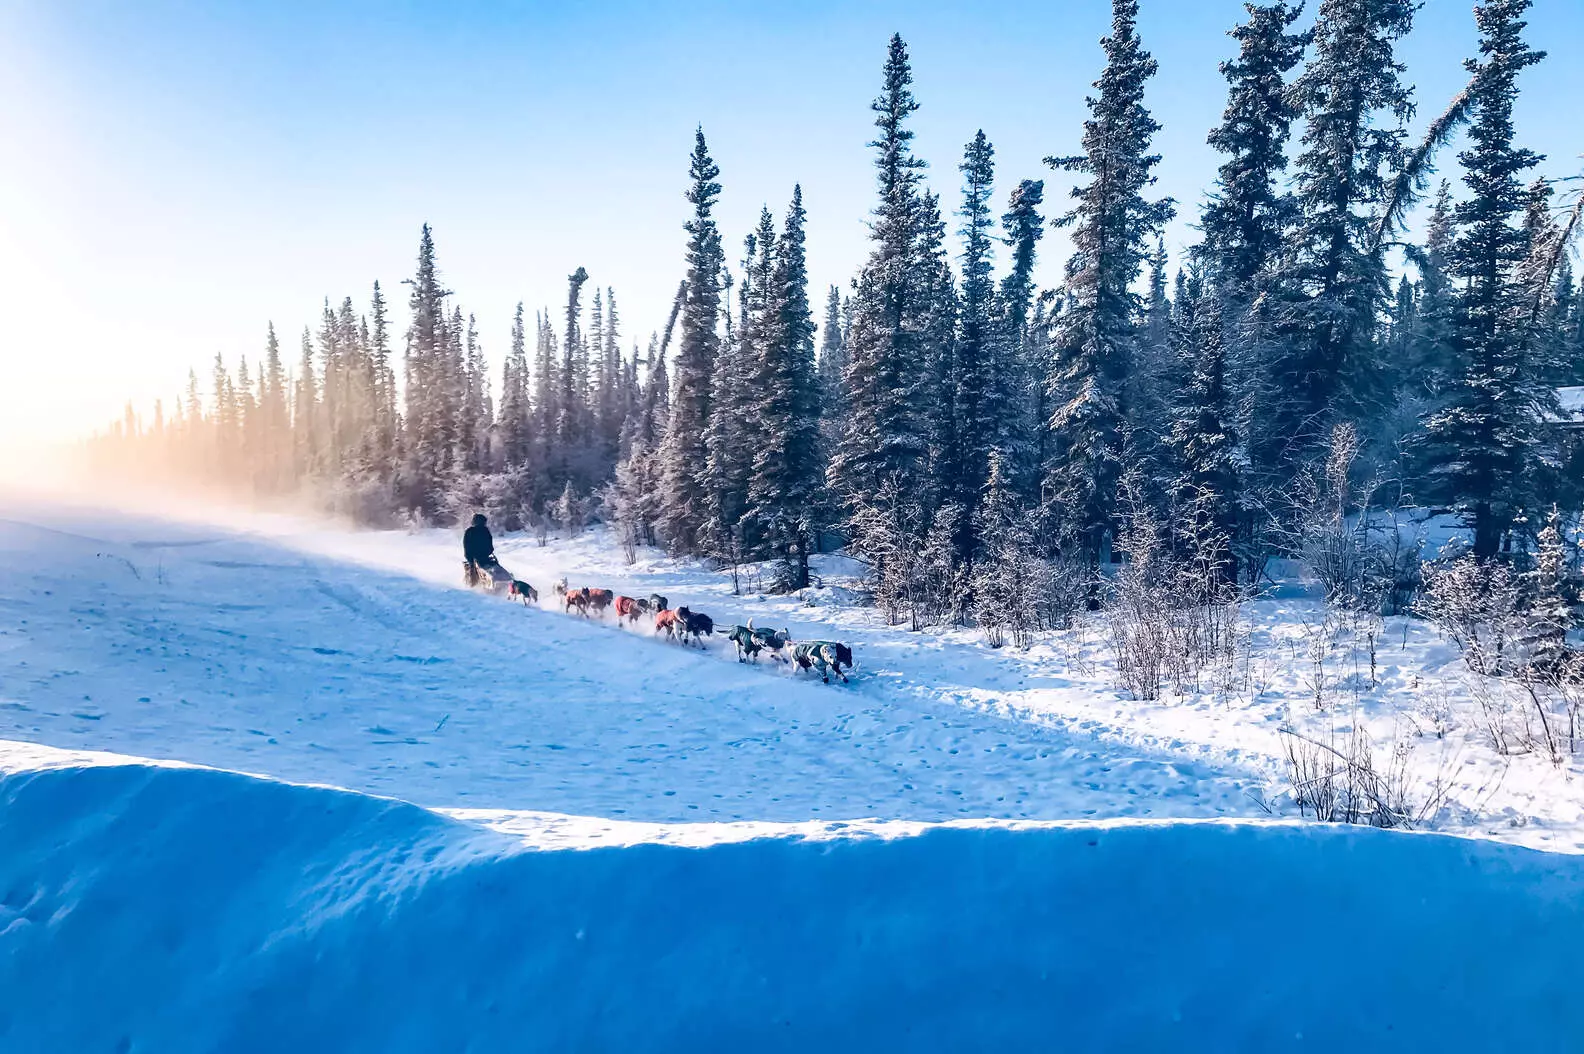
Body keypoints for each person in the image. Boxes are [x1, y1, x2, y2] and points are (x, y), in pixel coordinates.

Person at [462, 513, 496, 586]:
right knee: (474, 571)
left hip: (479, 556)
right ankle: (472, 586)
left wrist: (489, 551)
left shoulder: (473, 531)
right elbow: (467, 545)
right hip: (476, 557)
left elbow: (489, 543)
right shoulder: (482, 531)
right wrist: (470, 558)